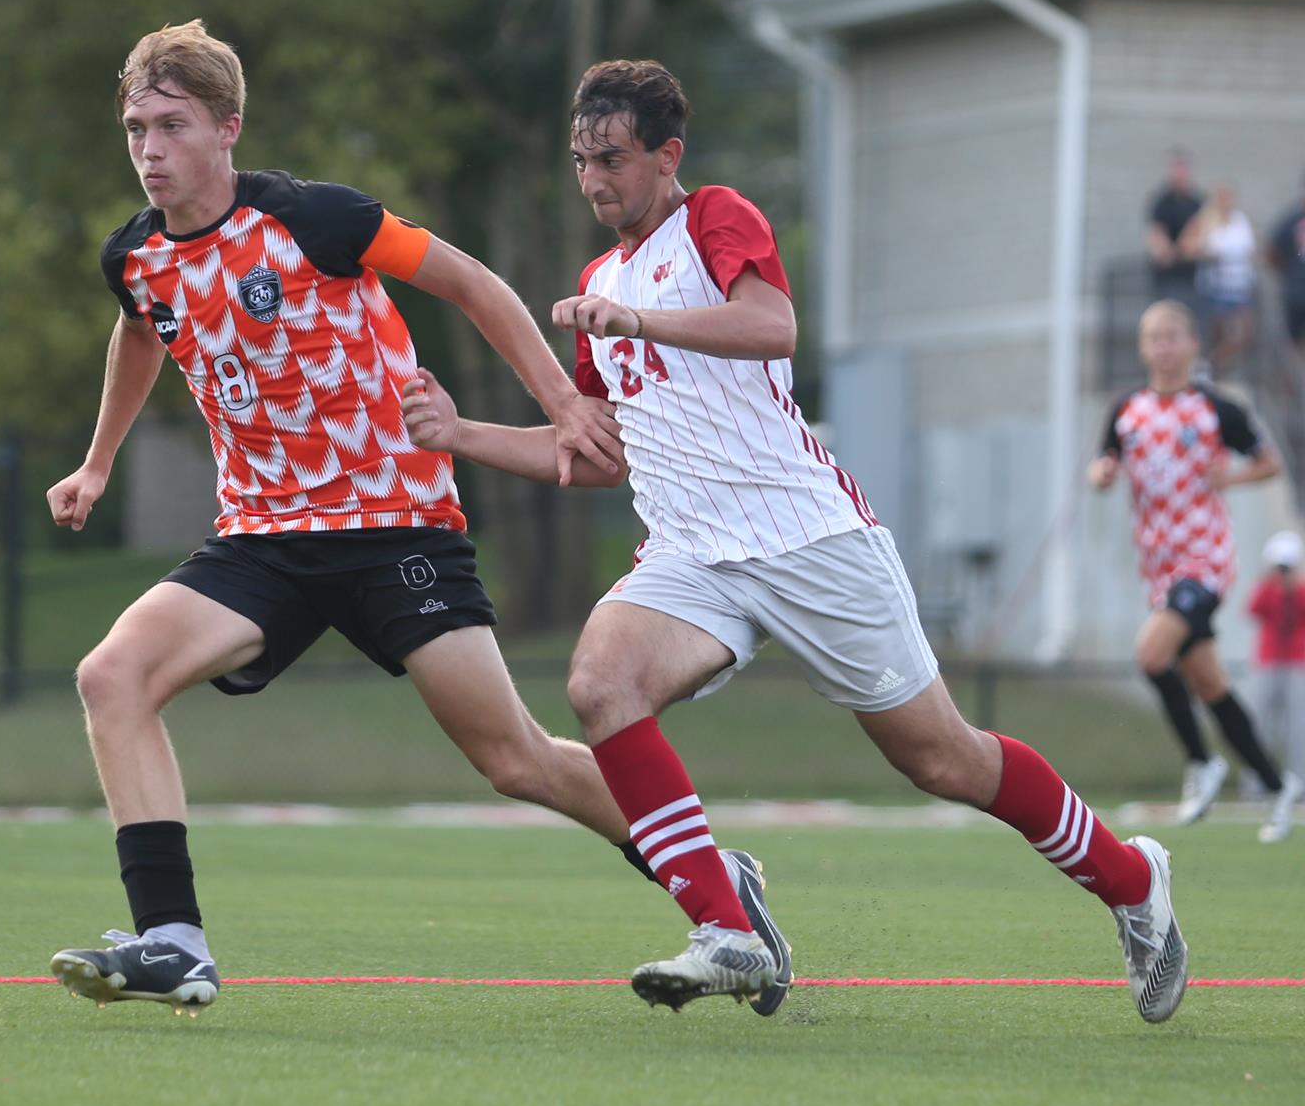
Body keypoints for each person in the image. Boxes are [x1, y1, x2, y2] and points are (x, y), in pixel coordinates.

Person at [401, 58, 1189, 1023]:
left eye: (612, 157)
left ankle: (1130, 879)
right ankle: (726, 924)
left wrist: (638, 317)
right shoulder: (597, 282)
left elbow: (772, 327)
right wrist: (458, 436)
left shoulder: (715, 217)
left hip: (805, 533)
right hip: (690, 551)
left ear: (667, 155)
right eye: (579, 160)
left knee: (942, 758)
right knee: (600, 685)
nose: (595, 178)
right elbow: (599, 453)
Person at [43, 21, 789, 1018]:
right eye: (135, 127)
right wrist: (97, 460)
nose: (149, 149)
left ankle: (710, 878)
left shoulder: (318, 219)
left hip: (395, 524)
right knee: (111, 674)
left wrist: (561, 404)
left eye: (171, 125)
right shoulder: (133, 257)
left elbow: (471, 283)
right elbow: (142, 331)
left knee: (513, 758)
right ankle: (172, 939)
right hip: (261, 538)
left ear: (227, 129)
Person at [1086, 301, 1302, 841]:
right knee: (1208, 683)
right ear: (1143, 347)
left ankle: (1203, 764)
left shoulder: (1215, 409)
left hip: (1203, 560)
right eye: (1153, 337)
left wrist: (1229, 477)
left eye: (1172, 336)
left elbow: (1268, 461)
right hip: (1157, 566)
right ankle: (1279, 787)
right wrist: (1102, 474)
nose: (1162, 345)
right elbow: (1102, 463)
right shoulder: (1126, 409)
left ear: (1191, 345)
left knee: (1150, 653)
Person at [1243, 530, 1305, 842]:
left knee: (1298, 727)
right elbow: (1253, 608)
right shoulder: (1267, 588)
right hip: (1268, 660)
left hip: (1297, 660)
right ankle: (1257, 784)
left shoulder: (1302, 588)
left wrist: (1294, 586)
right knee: (1259, 724)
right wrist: (1273, 584)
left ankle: (1300, 784)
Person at [1183, 184, 1258, 377]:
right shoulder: (1206, 220)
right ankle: (1211, 371)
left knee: (1244, 334)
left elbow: (1250, 249)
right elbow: (1187, 247)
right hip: (1215, 288)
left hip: (1239, 287)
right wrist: (1206, 251)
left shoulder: (1240, 220)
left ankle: (1209, 366)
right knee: (1218, 334)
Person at [1145, 150, 1204, 308]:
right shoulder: (1162, 202)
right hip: (1166, 277)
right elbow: (1157, 237)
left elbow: (1199, 234)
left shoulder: (1196, 202)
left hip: (1191, 276)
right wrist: (1172, 252)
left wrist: (1187, 249)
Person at [1266, 171, 1305, 356]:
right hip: (1296, 294)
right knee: (1293, 344)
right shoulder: (1291, 219)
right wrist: (1288, 274)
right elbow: (1273, 251)